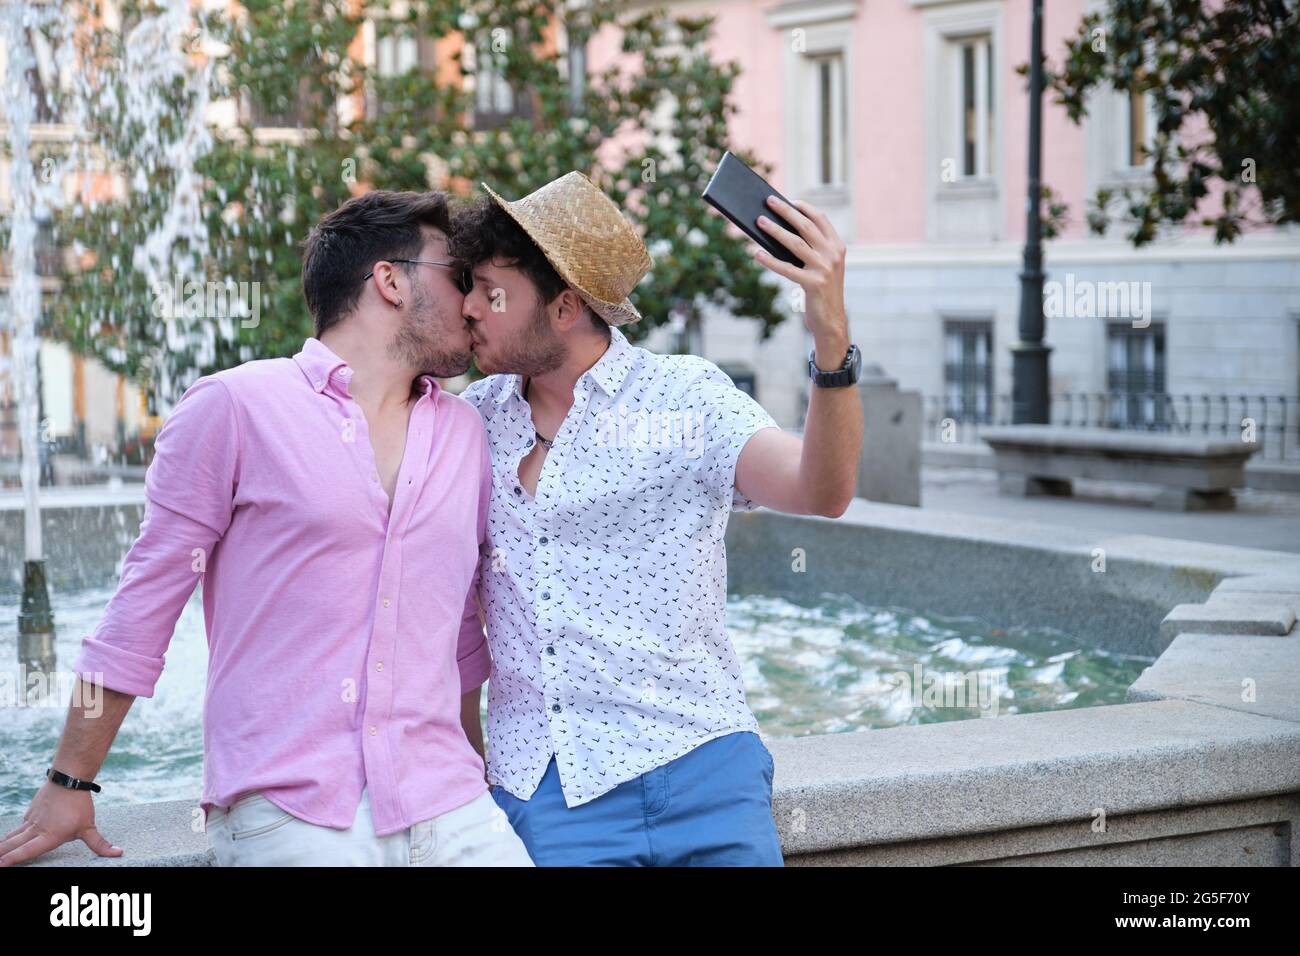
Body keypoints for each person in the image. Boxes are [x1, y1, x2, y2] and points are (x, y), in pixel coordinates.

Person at [0, 190, 533, 867]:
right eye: (458, 277)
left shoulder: (465, 431)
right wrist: (69, 781)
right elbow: (143, 607)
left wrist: (474, 771)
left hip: (450, 805)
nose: (472, 301)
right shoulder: (235, 408)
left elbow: (459, 628)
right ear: (390, 280)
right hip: (293, 809)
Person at [452, 170, 864, 865]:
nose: (468, 306)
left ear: (565, 307)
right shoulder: (469, 424)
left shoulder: (686, 397)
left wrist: (831, 340)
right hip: (549, 788)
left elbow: (820, 490)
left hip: (702, 763)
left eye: (491, 292)